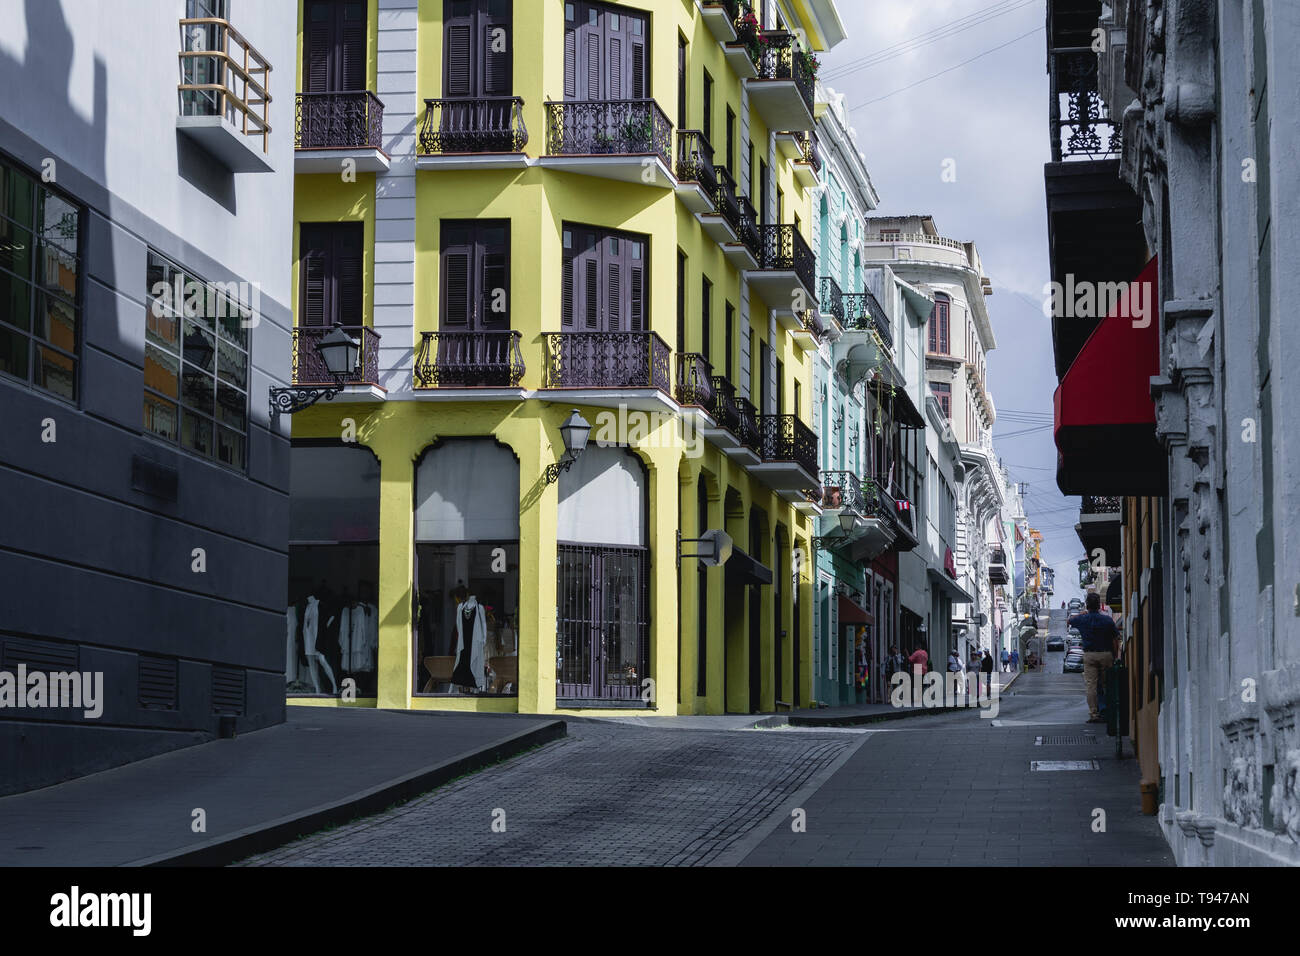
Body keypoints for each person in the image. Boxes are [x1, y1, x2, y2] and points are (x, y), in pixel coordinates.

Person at [1068, 592, 1120, 723]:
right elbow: (1115, 639)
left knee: (1091, 686)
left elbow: (1070, 621)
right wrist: (1115, 655)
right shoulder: (1107, 620)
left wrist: (1082, 613)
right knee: (1107, 684)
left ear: (1087, 605)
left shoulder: (1082, 619)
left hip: (1089, 655)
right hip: (1106, 654)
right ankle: (1108, 712)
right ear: (1099, 605)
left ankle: (1094, 714)